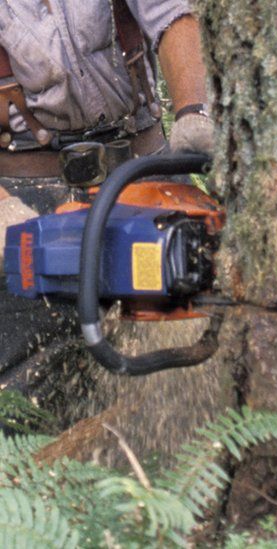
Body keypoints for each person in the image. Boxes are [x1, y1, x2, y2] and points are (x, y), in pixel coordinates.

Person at [0, 1, 214, 391]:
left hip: (140, 169)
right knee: (24, 385)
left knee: (186, 339)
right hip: (28, 191)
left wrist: (194, 110)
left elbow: (173, 16)